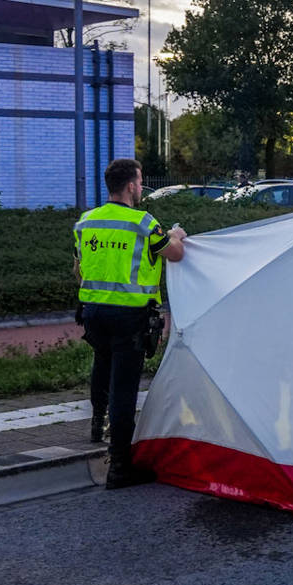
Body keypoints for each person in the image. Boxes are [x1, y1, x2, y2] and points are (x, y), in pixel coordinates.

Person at [74, 157, 186, 489]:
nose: (140, 189)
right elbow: (175, 254)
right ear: (130, 186)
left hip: (93, 312)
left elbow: (78, 270)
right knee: (124, 388)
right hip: (129, 317)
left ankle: (97, 424)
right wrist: (175, 234)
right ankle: (120, 466)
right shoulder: (143, 223)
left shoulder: (86, 221)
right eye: (139, 183)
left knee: (101, 363)